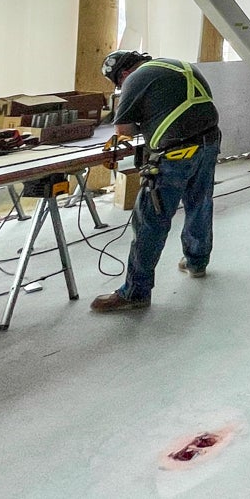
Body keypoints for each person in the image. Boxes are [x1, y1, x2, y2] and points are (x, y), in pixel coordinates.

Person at [90, 50, 222, 313]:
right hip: (209, 142)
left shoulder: (134, 80)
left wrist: (141, 123)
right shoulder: (176, 63)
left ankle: (135, 292)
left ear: (124, 74)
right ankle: (197, 262)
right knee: (199, 203)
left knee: (151, 220)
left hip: (176, 153)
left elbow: (123, 130)